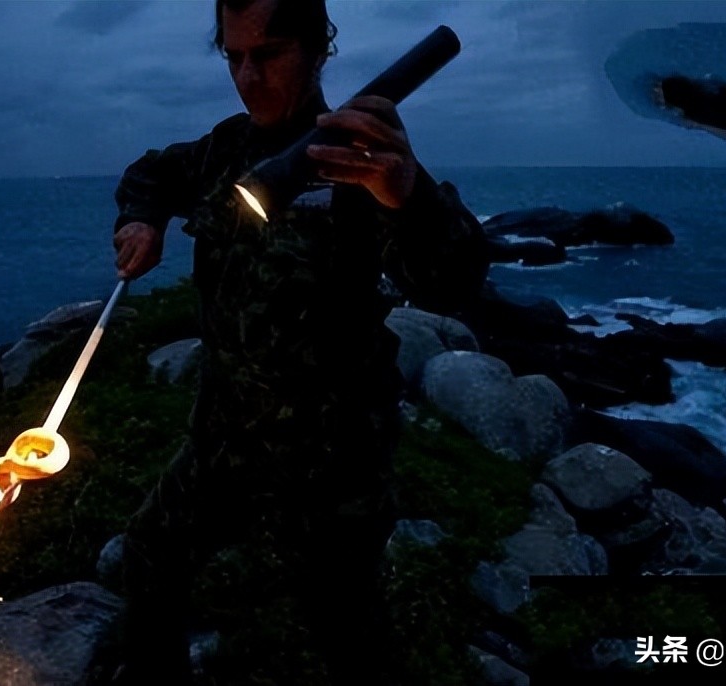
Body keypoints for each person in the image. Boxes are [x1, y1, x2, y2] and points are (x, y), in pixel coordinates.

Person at [108, 1, 488, 683]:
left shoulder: (361, 159)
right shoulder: (223, 151)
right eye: (234, 56)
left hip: (331, 462)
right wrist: (141, 222)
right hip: (223, 437)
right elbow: (152, 174)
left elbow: (452, 282)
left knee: (342, 625)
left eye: (271, 53)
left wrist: (404, 194)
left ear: (319, 50)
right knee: (151, 554)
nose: (249, 76)